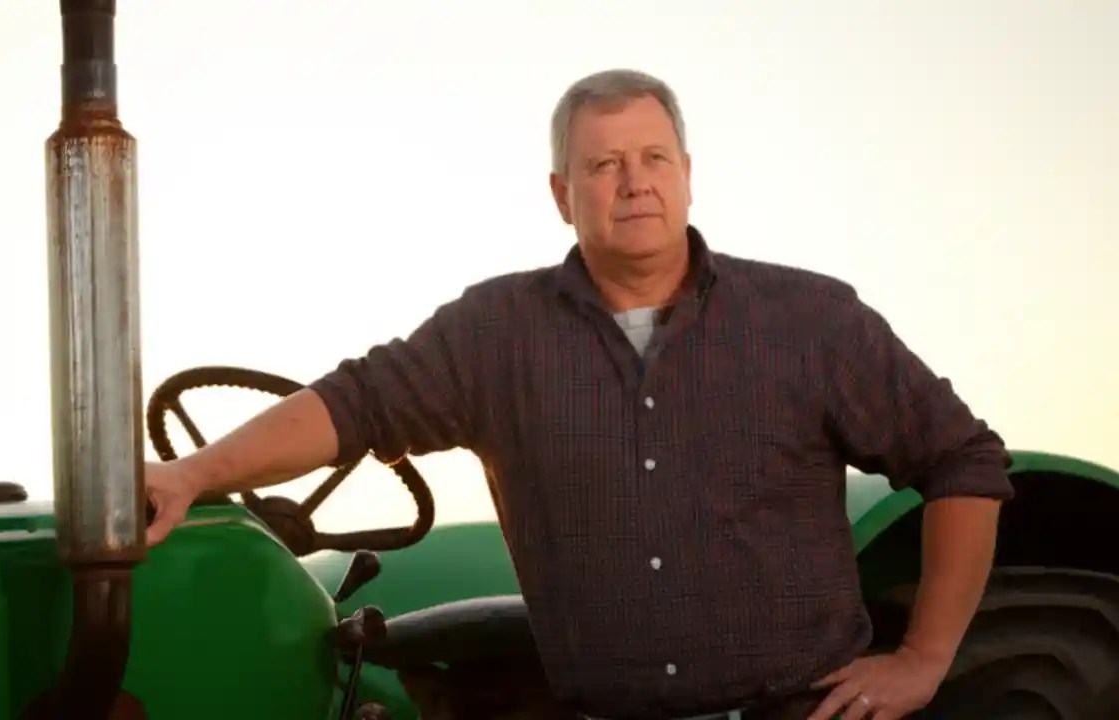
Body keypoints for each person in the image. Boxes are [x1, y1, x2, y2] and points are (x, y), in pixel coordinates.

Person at [143, 69, 1014, 720]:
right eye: (603, 165)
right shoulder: (494, 333)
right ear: (563, 195)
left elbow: (963, 459)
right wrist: (193, 475)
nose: (633, 182)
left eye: (652, 158)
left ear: (686, 174)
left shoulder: (810, 319)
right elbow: (352, 406)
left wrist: (926, 658)